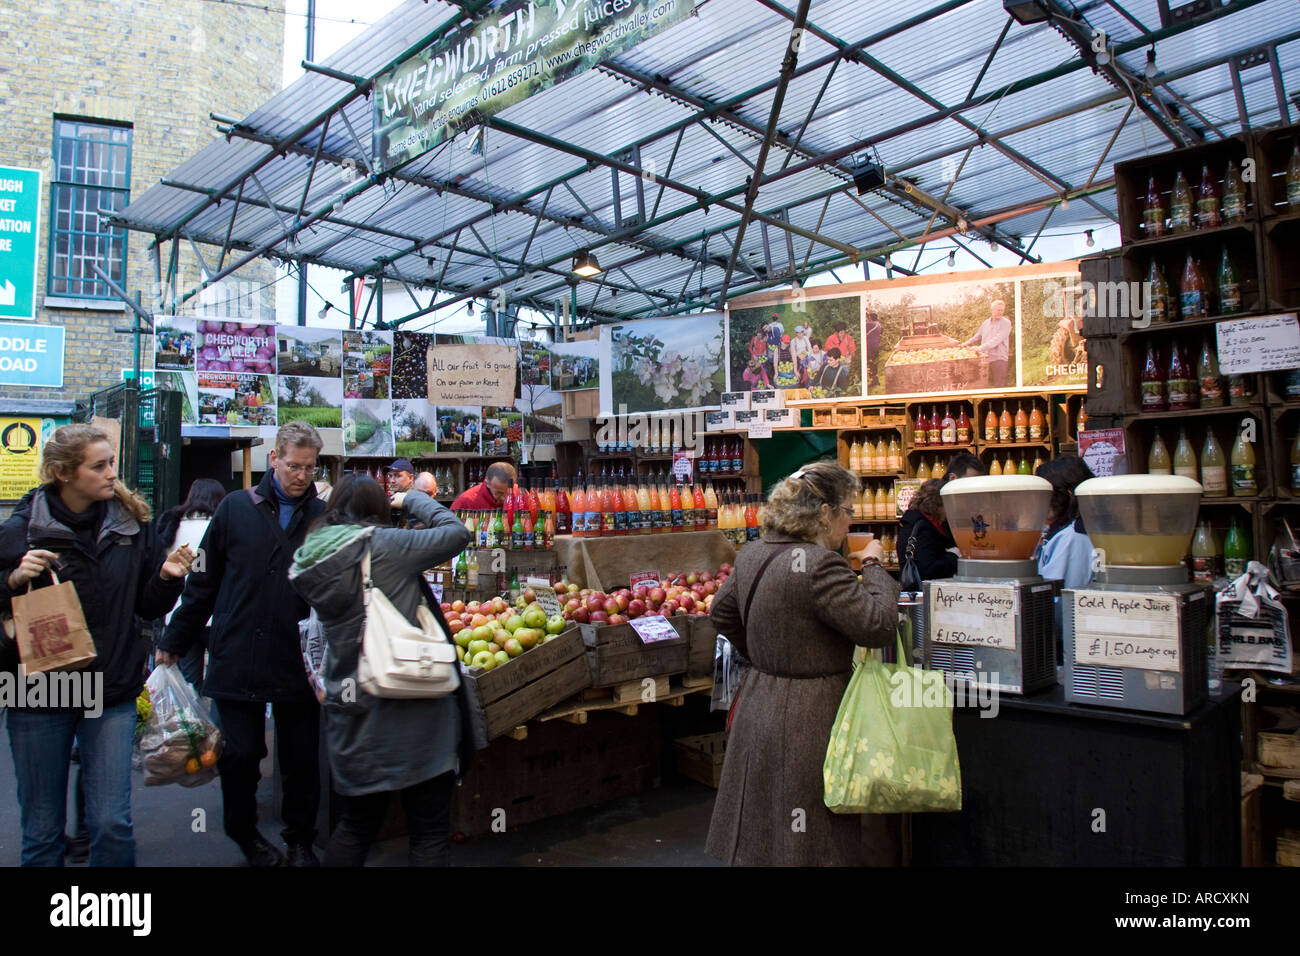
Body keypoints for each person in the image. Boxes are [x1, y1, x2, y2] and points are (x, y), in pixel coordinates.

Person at [0, 424, 195, 866]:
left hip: (110, 687)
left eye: (112, 463)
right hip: (37, 690)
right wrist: (12, 580)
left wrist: (166, 577)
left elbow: (145, 606)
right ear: (63, 473)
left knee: (111, 823)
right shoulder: (22, 530)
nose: (112, 474)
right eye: (100, 465)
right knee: (43, 829)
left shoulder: (131, 525)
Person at [706, 461, 899, 866]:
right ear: (825, 512)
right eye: (847, 511)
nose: (849, 523)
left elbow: (722, 614)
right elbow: (878, 626)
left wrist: (764, 654)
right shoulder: (820, 565)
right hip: (812, 711)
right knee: (811, 832)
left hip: (759, 701)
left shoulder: (752, 553)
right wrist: (874, 565)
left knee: (762, 820)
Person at [156, 421, 327, 867]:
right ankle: (245, 833)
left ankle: (300, 841)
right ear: (274, 459)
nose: (301, 475)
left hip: (299, 660)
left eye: (310, 468)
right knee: (240, 757)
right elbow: (202, 582)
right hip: (238, 654)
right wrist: (173, 640)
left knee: (302, 760)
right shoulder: (235, 508)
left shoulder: (322, 516)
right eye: (293, 466)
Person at [289, 475, 478, 866]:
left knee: (355, 828)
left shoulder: (312, 556)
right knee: (428, 834)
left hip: (353, 713)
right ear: (378, 510)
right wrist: (412, 499)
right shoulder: (382, 545)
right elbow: (457, 532)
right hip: (414, 712)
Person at [155, 478, 228, 688]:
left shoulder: (173, 527)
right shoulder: (219, 526)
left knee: (188, 683)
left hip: (178, 617)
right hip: (215, 615)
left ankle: (191, 720)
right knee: (219, 682)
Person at [1035, 456, 1096, 592]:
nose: (1039, 501)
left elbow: (1057, 592)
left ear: (1067, 493)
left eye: (1046, 494)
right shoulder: (1076, 529)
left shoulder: (1073, 537)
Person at [897, 478, 958, 581]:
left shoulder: (914, 523)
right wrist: (953, 556)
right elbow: (928, 570)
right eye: (947, 505)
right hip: (924, 591)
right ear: (937, 505)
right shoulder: (923, 529)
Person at [963, 299, 1013, 388]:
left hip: (999, 359)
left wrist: (979, 348)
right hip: (985, 359)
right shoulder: (986, 323)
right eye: (998, 310)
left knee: (999, 386)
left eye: (1002, 310)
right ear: (992, 310)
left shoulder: (1006, 323)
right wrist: (966, 343)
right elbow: (977, 335)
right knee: (984, 385)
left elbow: (996, 340)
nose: (1000, 312)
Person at [864, 312, 883, 389]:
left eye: (869, 317)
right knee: (874, 363)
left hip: (870, 347)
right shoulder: (879, 324)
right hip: (876, 346)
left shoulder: (870, 324)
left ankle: (874, 381)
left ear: (871, 318)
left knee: (871, 363)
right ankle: (876, 380)